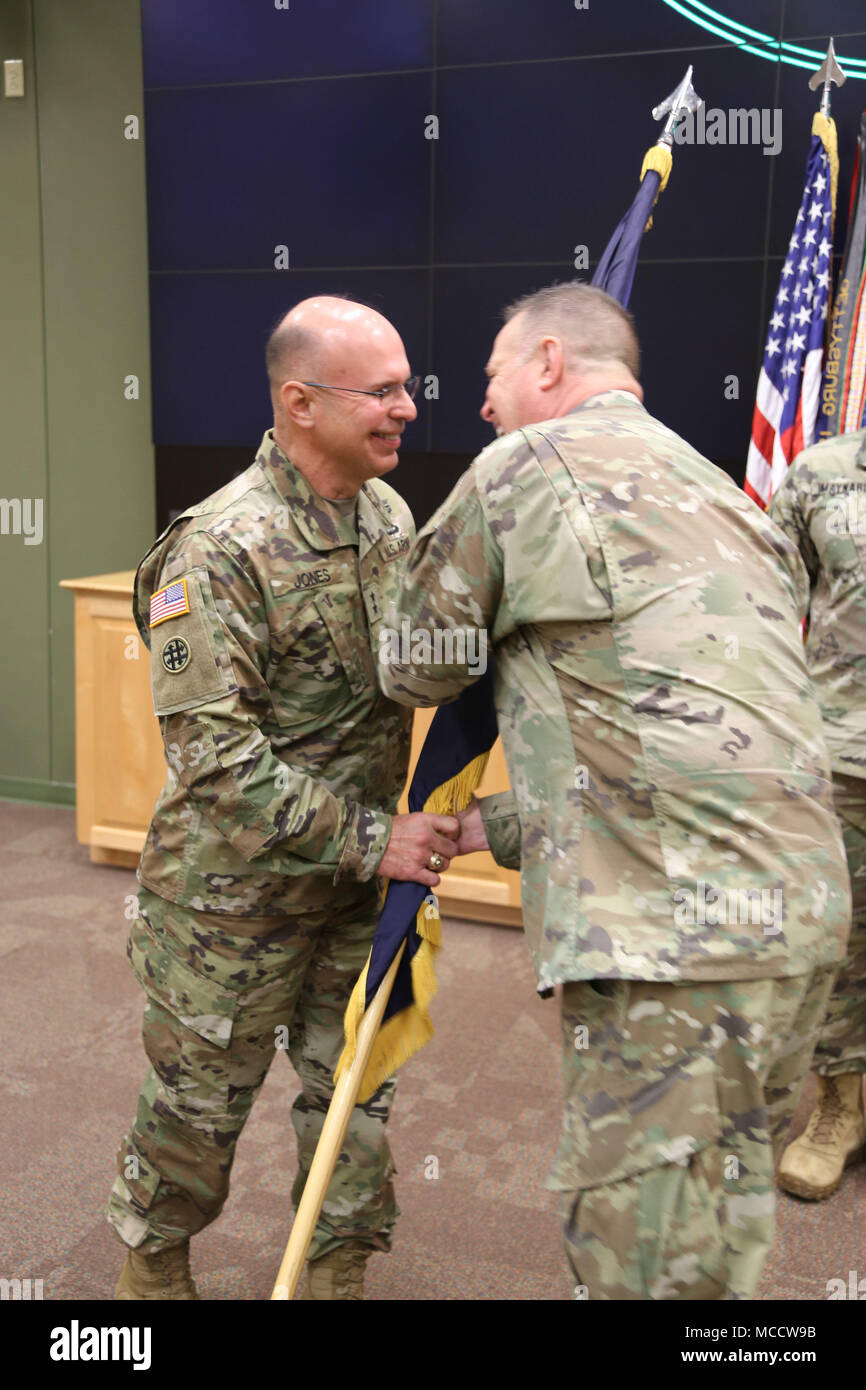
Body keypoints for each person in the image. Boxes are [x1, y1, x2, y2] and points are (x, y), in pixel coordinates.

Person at [377, 281, 851, 1300]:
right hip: (799, 925)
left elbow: (412, 666)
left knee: (634, 1256)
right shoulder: (731, 497)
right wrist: (493, 824)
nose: (483, 404)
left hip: (672, 948)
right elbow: (697, 734)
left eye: (494, 376)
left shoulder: (521, 468)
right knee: (713, 1236)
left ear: (549, 361)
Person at [108, 296, 459, 1300]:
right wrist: (371, 837)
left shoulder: (387, 516)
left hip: (355, 893)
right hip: (232, 905)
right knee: (198, 1113)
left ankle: (330, 1273)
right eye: (382, 390)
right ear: (300, 402)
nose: (407, 406)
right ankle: (154, 1267)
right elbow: (213, 759)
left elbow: (403, 661)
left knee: (356, 1097)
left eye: (407, 383)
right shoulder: (211, 554)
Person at [769, 427, 866, 1200]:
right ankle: (840, 1107)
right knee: (842, 941)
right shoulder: (823, 472)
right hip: (845, 750)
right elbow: (763, 608)